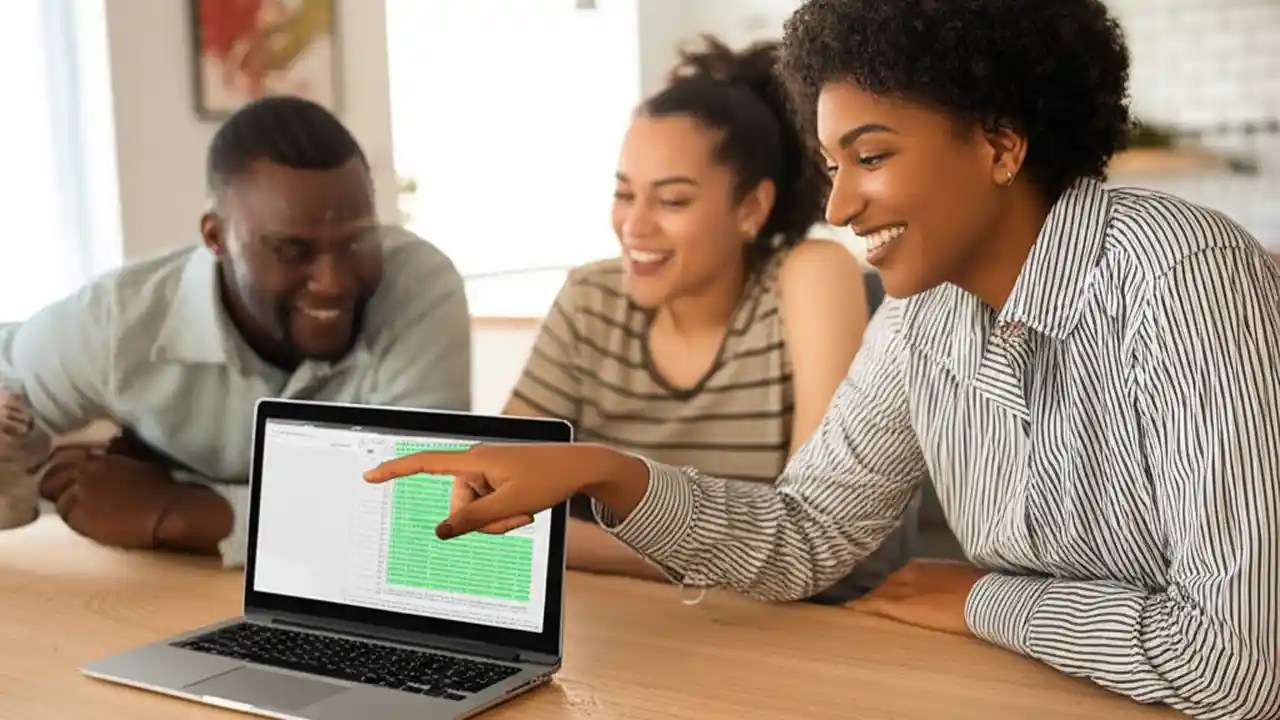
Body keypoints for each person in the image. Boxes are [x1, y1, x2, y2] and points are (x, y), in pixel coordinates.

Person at [365, 1, 1279, 717]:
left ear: (1002, 142)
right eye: (831, 164)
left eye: (871, 156)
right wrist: (610, 475)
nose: (839, 207)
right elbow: (804, 537)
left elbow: (1238, 663)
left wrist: (986, 602)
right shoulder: (926, 317)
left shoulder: (1185, 280)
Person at [505, 36, 911, 603]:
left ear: (750, 209)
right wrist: (698, 562)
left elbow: (815, 544)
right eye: (625, 195)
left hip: (783, 639)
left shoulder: (809, 274)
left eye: (672, 202)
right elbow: (500, 500)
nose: (634, 227)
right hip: (626, 628)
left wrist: (585, 540)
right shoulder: (591, 296)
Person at [0, 96, 471, 568]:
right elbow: (10, 381)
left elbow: (425, 513)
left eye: (355, 241)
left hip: (337, 609)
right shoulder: (118, 321)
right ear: (215, 237)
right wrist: (32, 467)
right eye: (291, 250)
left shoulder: (417, 289)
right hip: (163, 596)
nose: (333, 282)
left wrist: (185, 512)